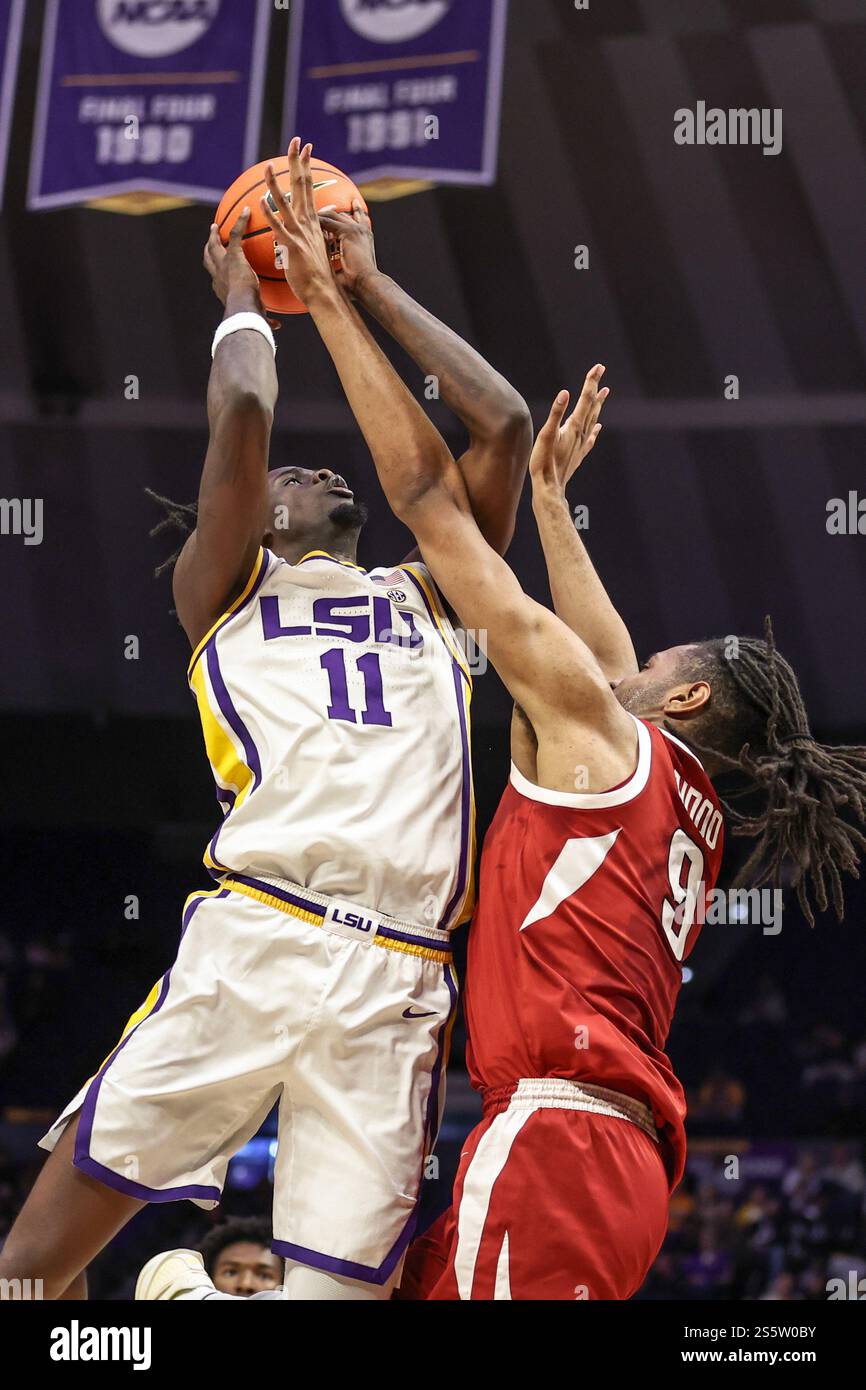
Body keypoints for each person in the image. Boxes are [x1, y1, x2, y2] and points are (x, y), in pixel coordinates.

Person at [258, 169, 866, 1297]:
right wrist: (543, 497)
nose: (640, 658)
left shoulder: (602, 734)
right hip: (606, 1159)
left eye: (666, 658)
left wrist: (343, 299)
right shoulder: (665, 786)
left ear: (681, 699)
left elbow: (430, 505)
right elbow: (602, 655)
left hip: (557, 1145)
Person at [0, 138, 531, 1304]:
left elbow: (502, 429)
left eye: (322, 473)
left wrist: (363, 283)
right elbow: (242, 407)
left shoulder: (432, 597)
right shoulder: (221, 590)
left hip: (399, 974)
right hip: (260, 932)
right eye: (291, 475)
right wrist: (247, 284)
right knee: (36, 1264)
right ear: (256, 515)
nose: (314, 472)